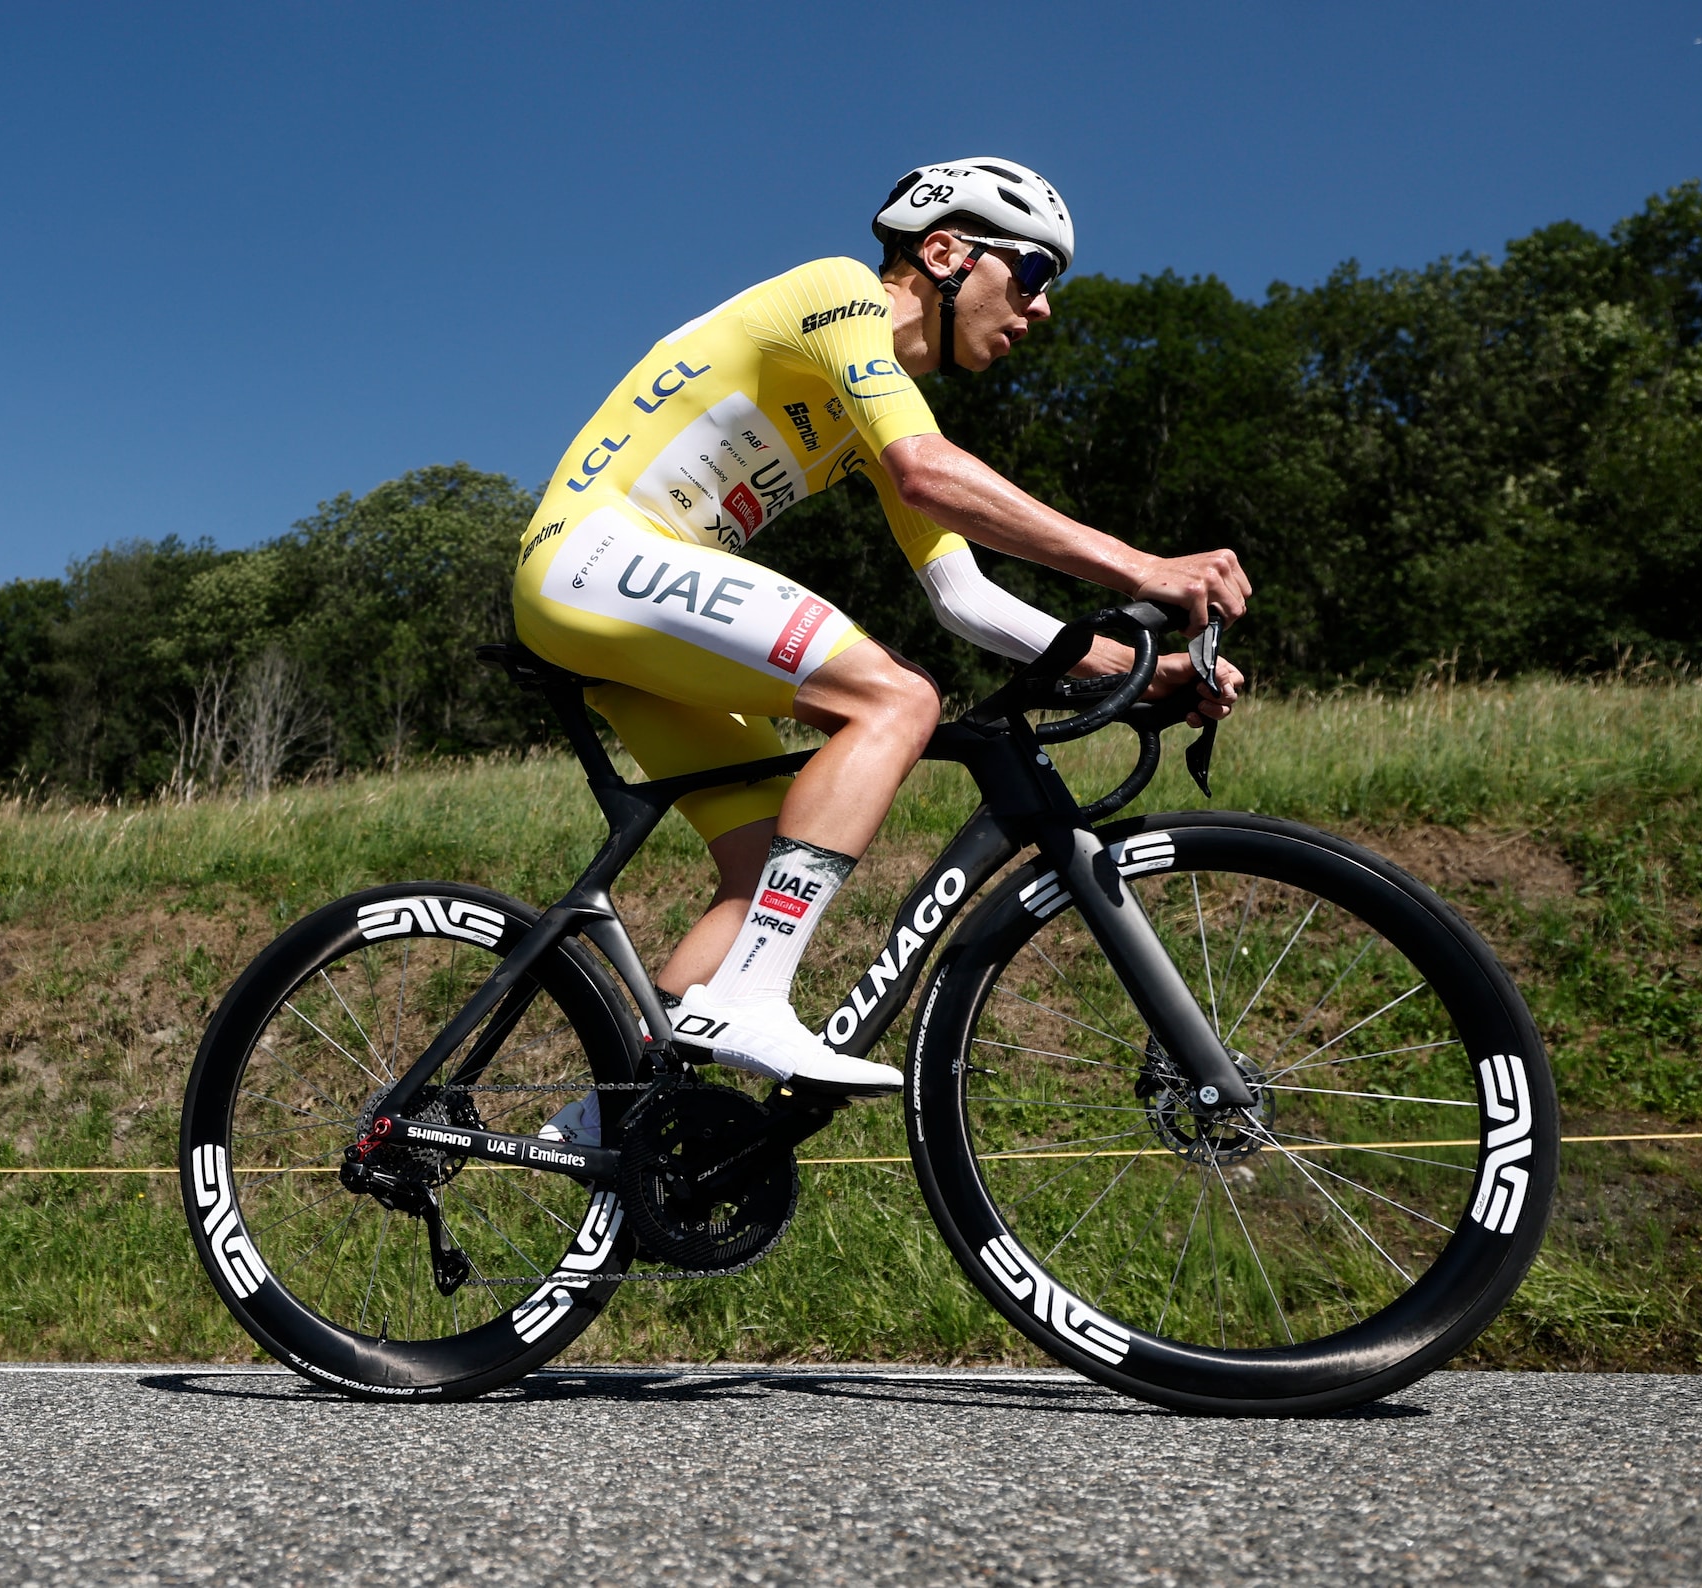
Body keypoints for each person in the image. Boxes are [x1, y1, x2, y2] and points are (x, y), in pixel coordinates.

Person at [512, 157, 1249, 1094]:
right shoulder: (840, 294)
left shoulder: (879, 403)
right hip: (589, 559)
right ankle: (752, 999)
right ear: (942, 254)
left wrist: (1130, 671)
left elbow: (965, 599)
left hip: (622, 614)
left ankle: (615, 1126)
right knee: (896, 699)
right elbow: (927, 474)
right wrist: (1144, 567)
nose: (1042, 308)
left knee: (763, 869)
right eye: (1032, 272)